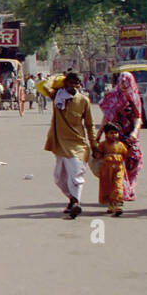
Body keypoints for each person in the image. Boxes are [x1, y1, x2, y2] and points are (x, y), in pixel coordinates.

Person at [44, 73, 97, 218]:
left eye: (76, 83)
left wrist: (94, 144)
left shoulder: (83, 101)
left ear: (80, 85)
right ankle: (71, 198)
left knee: (76, 174)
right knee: (59, 178)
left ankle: (75, 202)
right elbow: (44, 85)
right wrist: (58, 78)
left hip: (77, 144)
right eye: (70, 83)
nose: (73, 86)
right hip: (59, 143)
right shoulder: (57, 97)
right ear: (65, 84)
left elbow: (89, 124)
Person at [99, 71, 142, 203]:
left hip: (130, 136)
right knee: (117, 164)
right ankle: (120, 192)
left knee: (134, 160)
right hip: (115, 136)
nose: (124, 84)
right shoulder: (112, 96)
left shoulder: (134, 97)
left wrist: (135, 131)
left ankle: (128, 187)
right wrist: (97, 136)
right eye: (121, 81)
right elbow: (106, 118)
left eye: (126, 81)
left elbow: (137, 117)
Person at [91, 123, 127, 216]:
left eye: (116, 133)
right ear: (106, 134)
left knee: (118, 184)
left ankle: (118, 204)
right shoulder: (103, 145)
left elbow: (125, 154)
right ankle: (111, 204)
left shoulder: (121, 145)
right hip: (106, 169)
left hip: (118, 168)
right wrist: (95, 151)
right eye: (111, 133)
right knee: (108, 186)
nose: (114, 135)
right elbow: (98, 155)